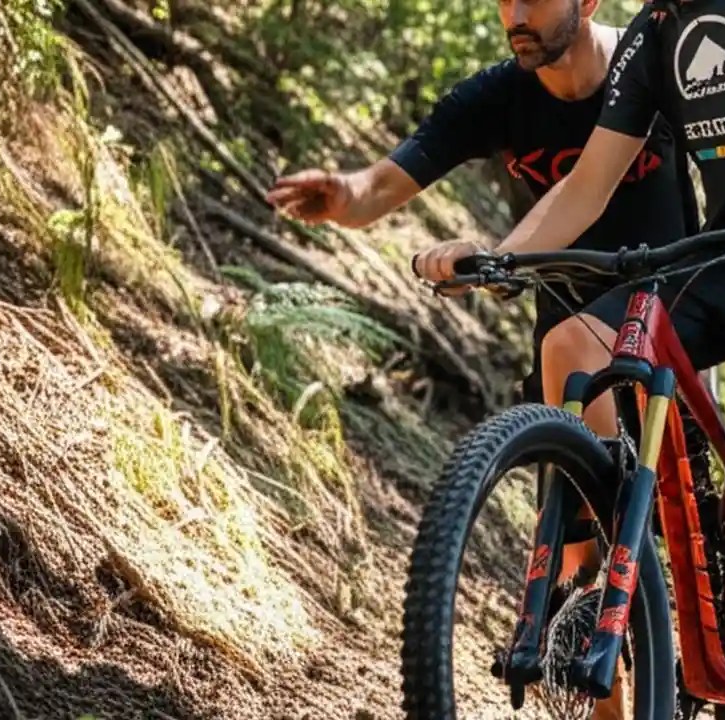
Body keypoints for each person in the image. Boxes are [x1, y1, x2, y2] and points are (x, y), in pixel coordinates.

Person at [415, 0, 725, 718]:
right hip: (722, 258)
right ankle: (603, 543)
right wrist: (502, 257)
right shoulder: (655, 32)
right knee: (569, 343)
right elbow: (588, 183)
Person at [266, 1, 699, 716]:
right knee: (570, 542)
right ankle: (605, 672)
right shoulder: (494, 96)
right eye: (505, 0)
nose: (516, 14)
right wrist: (344, 196)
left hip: (672, 305)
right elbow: (378, 187)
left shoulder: (651, 64)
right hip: (567, 320)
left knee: (685, 527)